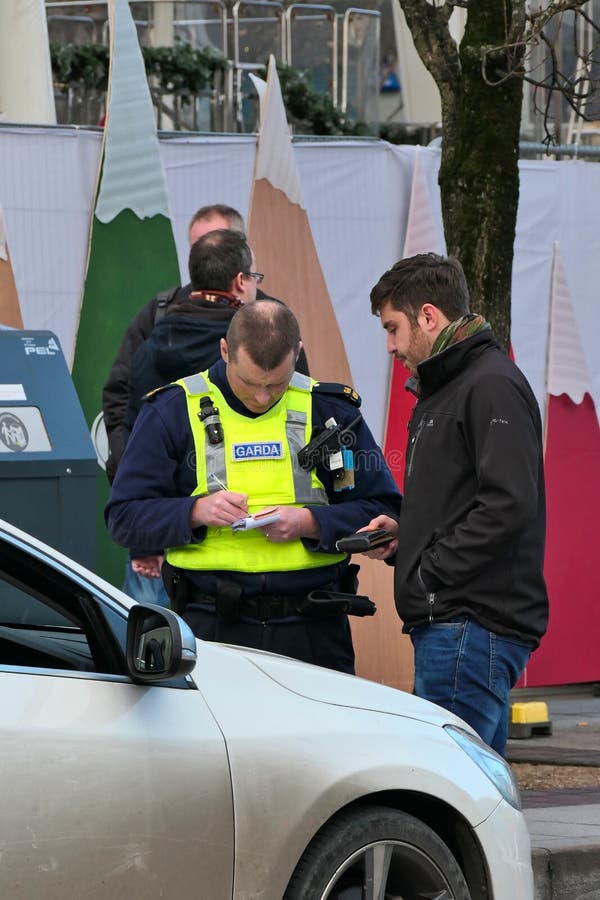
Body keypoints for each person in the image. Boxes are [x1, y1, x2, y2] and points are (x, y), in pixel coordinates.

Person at [106, 299, 402, 673]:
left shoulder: (330, 411)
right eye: (249, 382)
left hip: (314, 628)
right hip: (211, 628)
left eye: (276, 383)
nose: (262, 398)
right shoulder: (172, 411)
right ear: (224, 350)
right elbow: (124, 515)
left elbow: (383, 510)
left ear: (297, 353)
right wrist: (195, 512)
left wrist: (309, 523)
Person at [362, 252, 548, 756]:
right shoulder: (455, 384)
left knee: (451, 792)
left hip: (468, 626)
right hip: (462, 624)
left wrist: (431, 569)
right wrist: (408, 538)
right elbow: (465, 501)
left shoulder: (488, 384)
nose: (390, 346)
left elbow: (509, 504)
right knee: (473, 795)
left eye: (393, 328)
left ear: (428, 316)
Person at [102, 203, 309, 482]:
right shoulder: (158, 312)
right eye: (200, 246)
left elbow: (299, 404)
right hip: (209, 496)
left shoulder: (273, 319)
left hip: (227, 491)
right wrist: (131, 463)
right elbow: (119, 397)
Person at [122, 228, 260, 601]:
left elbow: (128, 431)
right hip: (241, 538)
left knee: (149, 650)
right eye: (255, 279)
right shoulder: (260, 346)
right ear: (240, 281)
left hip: (162, 526)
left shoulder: (151, 343)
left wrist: (144, 539)